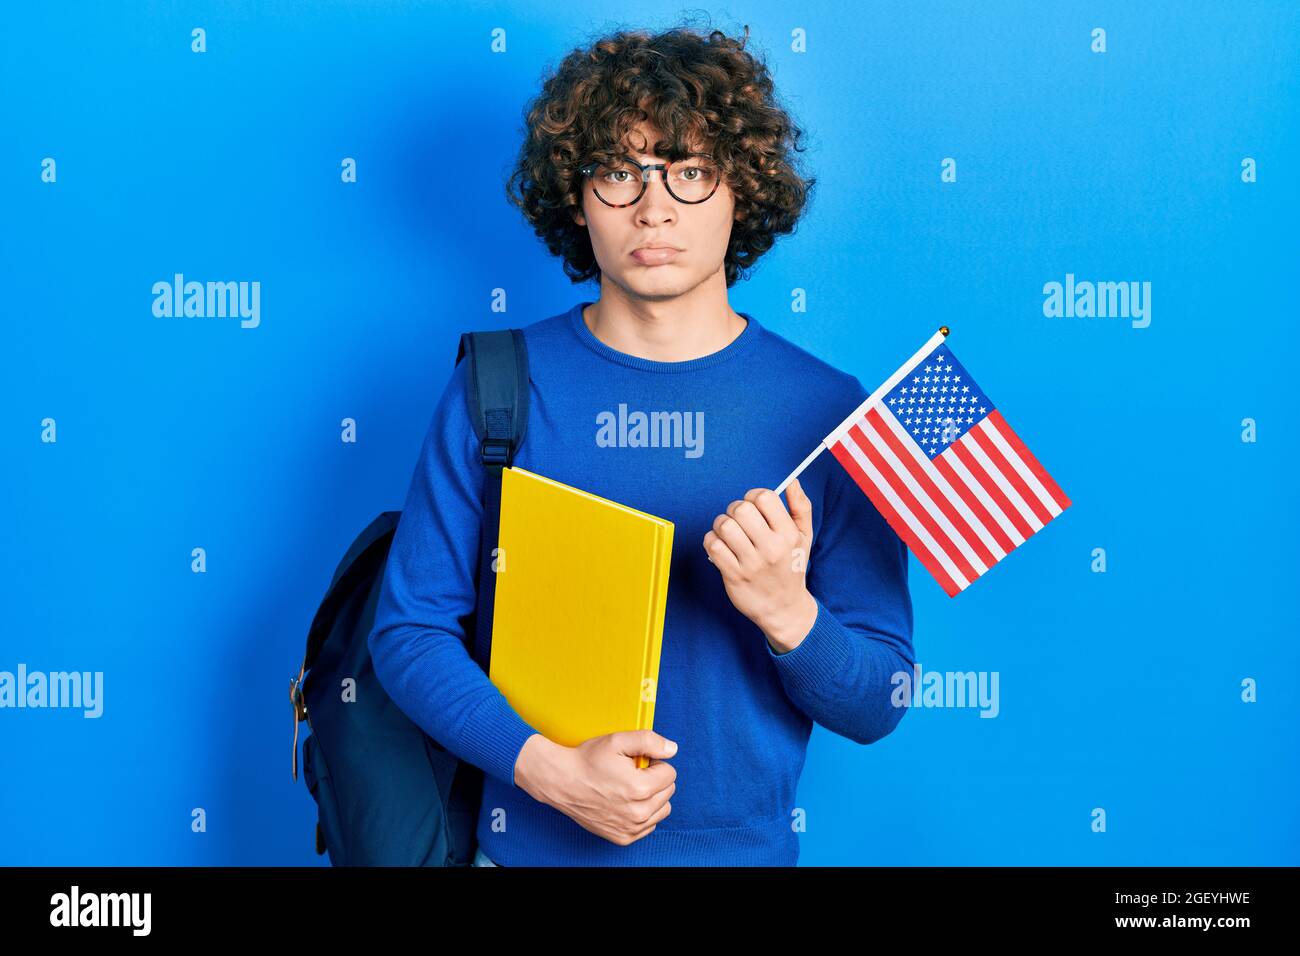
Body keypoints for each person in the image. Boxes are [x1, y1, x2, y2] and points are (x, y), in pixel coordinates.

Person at [368, 23, 914, 867]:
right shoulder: (497, 385)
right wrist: (548, 773)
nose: (653, 207)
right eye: (619, 172)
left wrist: (787, 612)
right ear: (576, 195)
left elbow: (881, 699)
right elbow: (408, 632)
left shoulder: (828, 411)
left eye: (689, 172)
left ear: (743, 190)